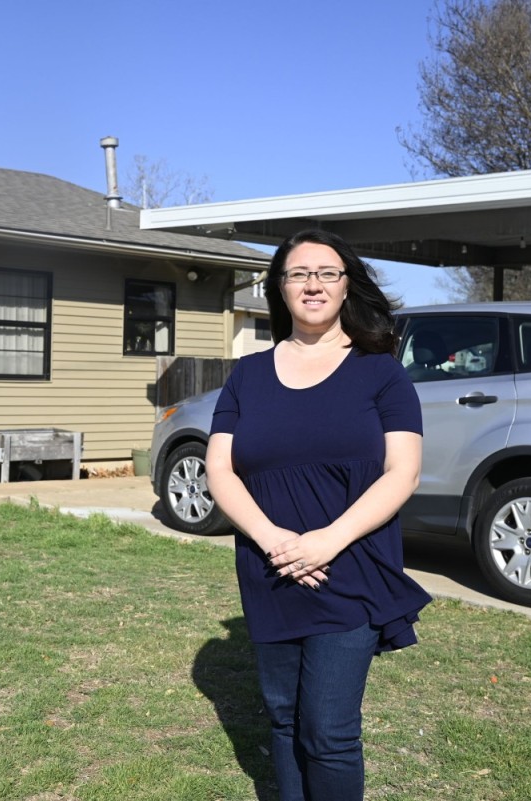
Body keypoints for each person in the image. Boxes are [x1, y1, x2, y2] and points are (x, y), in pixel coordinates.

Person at [206, 229, 431, 801]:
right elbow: (221, 471)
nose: (313, 284)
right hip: (271, 568)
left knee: (328, 731)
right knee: (284, 719)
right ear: (280, 288)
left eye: (327, 273)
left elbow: (402, 472)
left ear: (346, 285)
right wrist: (273, 540)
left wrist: (326, 541)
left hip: (348, 567)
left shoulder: (382, 372)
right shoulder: (247, 375)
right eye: (299, 274)